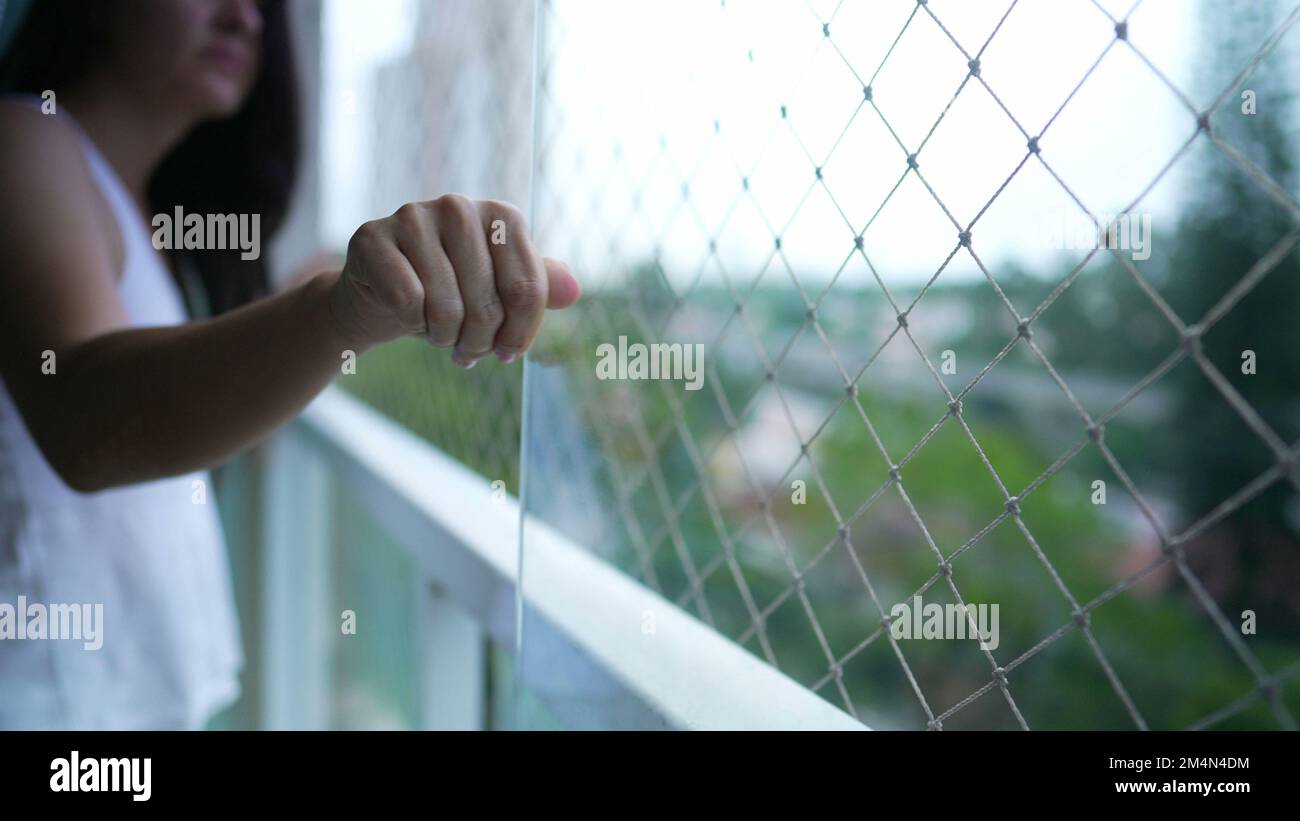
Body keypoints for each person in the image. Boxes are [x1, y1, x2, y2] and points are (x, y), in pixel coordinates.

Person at [0, 0, 579, 729]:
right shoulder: (21, 137)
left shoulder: (135, 211)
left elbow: (161, 416)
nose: (246, 19)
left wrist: (302, 315)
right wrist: (339, 310)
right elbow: (86, 417)